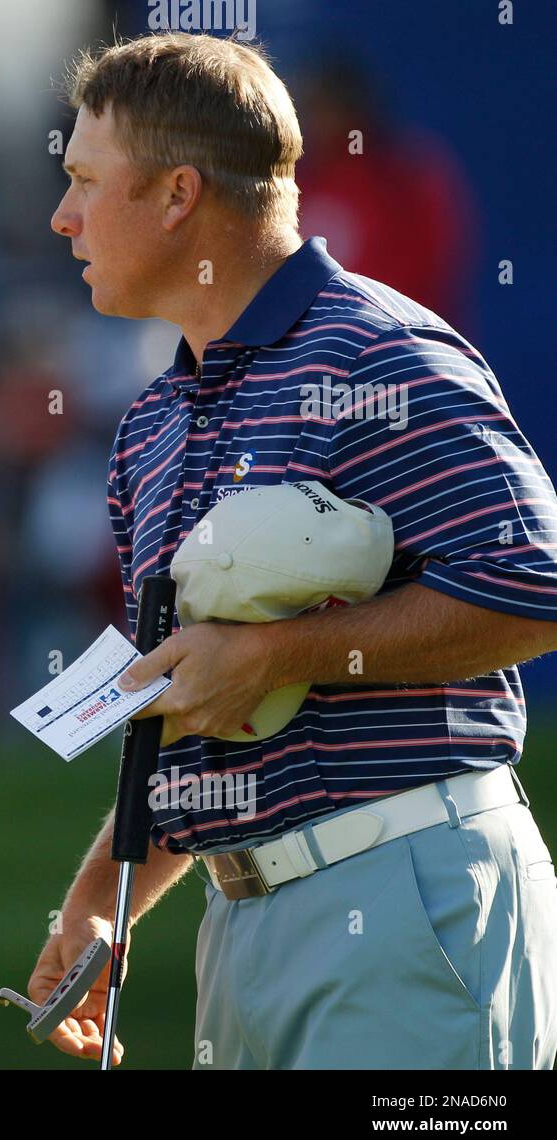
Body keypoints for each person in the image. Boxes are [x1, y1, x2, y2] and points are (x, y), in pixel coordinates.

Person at [32, 32, 557, 1069]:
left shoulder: (378, 352)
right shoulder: (152, 422)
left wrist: (276, 656)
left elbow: (532, 585)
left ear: (177, 194)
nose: (62, 217)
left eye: (84, 181)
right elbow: (196, 700)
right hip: (243, 927)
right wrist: (101, 902)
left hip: (406, 893)